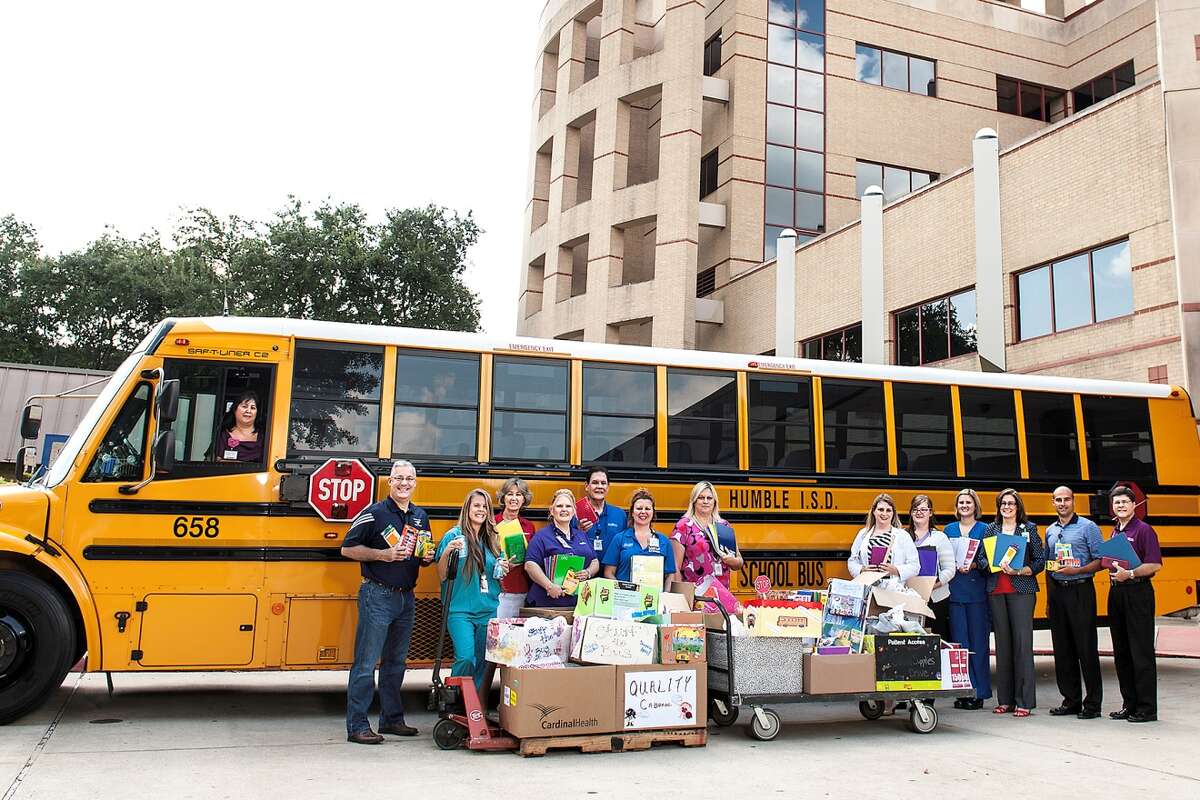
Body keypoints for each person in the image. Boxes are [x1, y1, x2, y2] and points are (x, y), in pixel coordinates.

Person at [341, 459, 433, 744]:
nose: (404, 483)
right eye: (399, 478)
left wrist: (427, 557)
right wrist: (383, 555)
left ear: (415, 483)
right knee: (366, 663)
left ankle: (391, 719)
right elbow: (347, 548)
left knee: (396, 663)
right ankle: (357, 725)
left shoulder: (420, 516)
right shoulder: (374, 513)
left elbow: (423, 551)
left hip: (406, 597)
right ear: (389, 482)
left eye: (409, 478)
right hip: (377, 594)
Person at [974, 488, 1044, 718]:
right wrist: (990, 564)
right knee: (1003, 645)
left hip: (1021, 591)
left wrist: (1023, 570)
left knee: (1022, 645)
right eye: (1003, 503)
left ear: (1018, 507)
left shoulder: (1029, 529)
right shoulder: (991, 529)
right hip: (996, 590)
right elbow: (981, 557)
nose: (1007, 507)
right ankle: (1005, 700)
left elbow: (1040, 560)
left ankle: (1024, 701)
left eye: (1011, 504)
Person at [435, 489, 510, 693]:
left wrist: (503, 568)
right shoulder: (454, 535)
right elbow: (442, 575)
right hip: (460, 611)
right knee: (466, 657)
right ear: (467, 508)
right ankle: (455, 698)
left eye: (485, 506)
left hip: (487, 610)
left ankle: (473, 704)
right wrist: (448, 551)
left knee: (484, 661)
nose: (481, 510)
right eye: (477, 505)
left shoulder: (492, 538)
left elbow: (497, 572)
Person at [1044, 486, 1105, 719]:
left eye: (1066, 499)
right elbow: (1050, 566)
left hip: (1080, 590)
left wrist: (1077, 570)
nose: (1062, 503)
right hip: (1058, 592)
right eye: (1058, 500)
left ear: (1073, 501)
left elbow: (1101, 560)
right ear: (1053, 502)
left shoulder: (1088, 527)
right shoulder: (1050, 531)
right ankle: (1071, 700)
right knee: (1063, 649)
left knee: (1086, 648)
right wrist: (1049, 599)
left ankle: (1093, 704)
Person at [1106, 485, 1163, 723]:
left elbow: (1154, 565)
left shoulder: (1144, 530)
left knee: (1141, 652)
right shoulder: (1114, 531)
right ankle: (1129, 704)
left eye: (1124, 502)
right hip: (1117, 593)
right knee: (1122, 652)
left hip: (1137, 592)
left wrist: (1129, 574)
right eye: (1116, 502)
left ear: (1134, 505)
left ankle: (1146, 708)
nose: (1120, 506)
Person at [944, 489, 990, 710]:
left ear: (975, 506)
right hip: (955, 591)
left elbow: (990, 561)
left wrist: (973, 564)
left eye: (968, 502)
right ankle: (963, 689)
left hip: (977, 591)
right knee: (960, 644)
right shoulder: (948, 530)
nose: (964, 506)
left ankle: (980, 692)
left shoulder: (985, 529)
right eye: (961, 502)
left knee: (978, 643)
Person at [671, 481, 742, 613]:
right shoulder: (683, 526)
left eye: (709, 498)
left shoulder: (724, 526)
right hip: (695, 596)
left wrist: (733, 561)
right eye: (701, 497)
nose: (705, 501)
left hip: (721, 595)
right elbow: (675, 567)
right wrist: (681, 599)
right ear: (694, 501)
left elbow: (739, 562)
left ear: (715, 502)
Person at [524, 489, 600, 607]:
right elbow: (530, 565)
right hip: (547, 604)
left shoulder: (582, 535)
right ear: (552, 510)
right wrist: (549, 586)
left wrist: (588, 572)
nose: (564, 509)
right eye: (559, 506)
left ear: (574, 511)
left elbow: (595, 561)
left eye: (568, 506)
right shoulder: (542, 536)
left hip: (577, 604)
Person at [602, 489, 678, 590]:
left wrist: (664, 596)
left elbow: (670, 575)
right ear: (632, 513)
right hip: (625, 600)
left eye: (647, 508)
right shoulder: (619, 538)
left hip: (653, 600)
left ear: (653, 512)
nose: (643, 512)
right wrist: (621, 591)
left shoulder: (664, 541)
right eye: (639, 508)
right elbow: (608, 573)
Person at [906, 494, 955, 642]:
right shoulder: (903, 537)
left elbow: (950, 568)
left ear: (931, 512)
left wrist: (935, 584)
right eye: (915, 509)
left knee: (937, 639)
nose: (919, 512)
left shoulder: (940, 537)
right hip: (909, 596)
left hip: (936, 598)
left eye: (923, 509)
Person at [847, 493, 919, 582]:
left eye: (888, 510)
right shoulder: (863, 534)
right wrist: (861, 569)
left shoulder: (902, 536)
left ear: (893, 513)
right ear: (874, 511)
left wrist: (895, 570)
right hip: (867, 588)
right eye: (881, 509)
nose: (884, 513)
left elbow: (915, 566)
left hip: (892, 590)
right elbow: (852, 561)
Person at [494, 477, 536, 619]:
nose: (514, 498)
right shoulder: (491, 523)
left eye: (518, 494)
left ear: (524, 499)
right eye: (510, 494)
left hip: (522, 588)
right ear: (503, 497)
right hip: (497, 589)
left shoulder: (529, 526)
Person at [576, 466, 628, 560]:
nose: (599, 486)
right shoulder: (575, 513)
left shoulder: (620, 515)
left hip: (611, 571)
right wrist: (578, 531)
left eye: (603, 483)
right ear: (587, 486)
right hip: (583, 571)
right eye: (595, 482)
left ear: (608, 487)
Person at [216, 391, 262, 462]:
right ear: (235, 409)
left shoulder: (264, 436)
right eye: (244, 406)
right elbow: (215, 460)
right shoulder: (223, 435)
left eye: (253, 408)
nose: (248, 411)